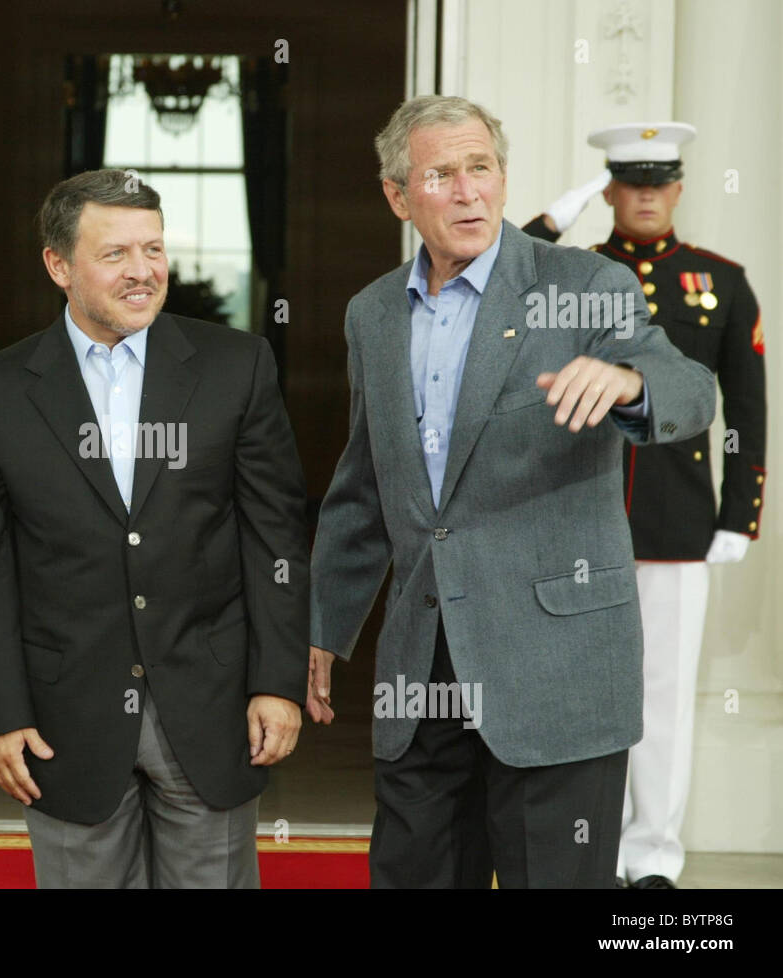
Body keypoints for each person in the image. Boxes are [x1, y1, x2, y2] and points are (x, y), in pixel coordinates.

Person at [306, 95, 717, 888]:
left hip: (557, 674)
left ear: (502, 178)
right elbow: (363, 485)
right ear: (398, 196)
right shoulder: (371, 314)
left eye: (481, 169)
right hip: (422, 673)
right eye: (441, 174)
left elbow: (691, 388)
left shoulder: (585, 285)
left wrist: (629, 381)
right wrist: (326, 622)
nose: (467, 192)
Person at [0, 168, 308, 888]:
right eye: (116, 254)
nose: (143, 271)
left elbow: (276, 538)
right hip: (62, 718)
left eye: (154, 249)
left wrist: (278, 681)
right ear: (58, 266)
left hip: (211, 706)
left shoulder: (239, 366)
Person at [526, 123, 767, 888]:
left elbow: (748, 409)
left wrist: (739, 515)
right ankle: (584, 849)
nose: (647, 194)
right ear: (610, 189)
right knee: (575, 694)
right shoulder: (572, 272)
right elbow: (504, 287)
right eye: (631, 182)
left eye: (660, 181)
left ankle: (653, 855)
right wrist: (546, 224)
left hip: (673, 518)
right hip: (572, 512)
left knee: (662, 695)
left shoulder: (719, 280)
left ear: (680, 187)